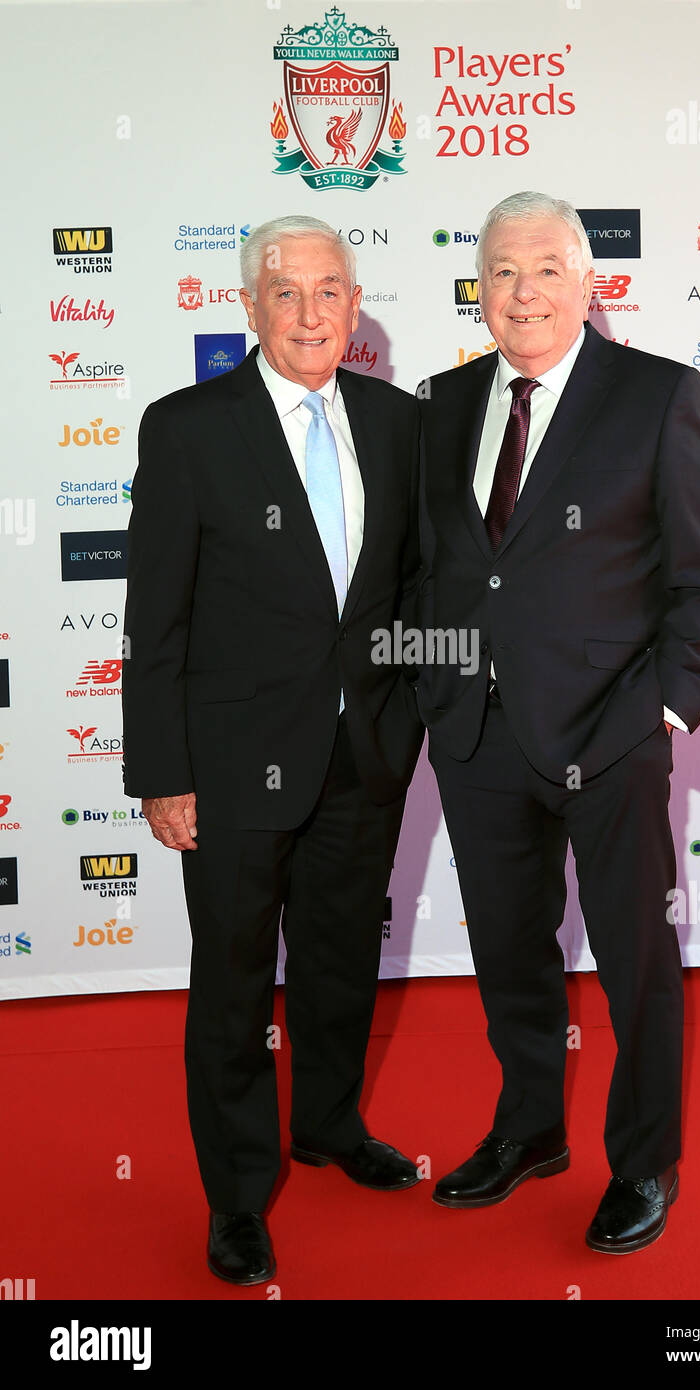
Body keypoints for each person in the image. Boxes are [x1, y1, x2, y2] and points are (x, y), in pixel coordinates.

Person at [416, 191, 700, 1252]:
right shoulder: (441, 401)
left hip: (608, 733)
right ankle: (528, 1128)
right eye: (500, 272)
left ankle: (641, 1161)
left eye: (544, 268)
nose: (521, 292)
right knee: (510, 952)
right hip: (476, 730)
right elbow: (435, 571)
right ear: (478, 289)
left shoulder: (655, 396)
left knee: (632, 958)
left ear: (587, 280)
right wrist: (430, 681)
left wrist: (660, 708)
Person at [121, 215, 424, 1285]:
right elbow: (154, 616)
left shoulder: (398, 423)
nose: (309, 313)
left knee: (343, 963)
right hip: (232, 762)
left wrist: (421, 702)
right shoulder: (188, 428)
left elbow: (412, 592)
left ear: (354, 305)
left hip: (366, 754)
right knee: (237, 984)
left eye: (329, 290)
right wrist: (161, 770)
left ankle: (330, 1126)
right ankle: (238, 1196)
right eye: (286, 293)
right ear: (248, 306)